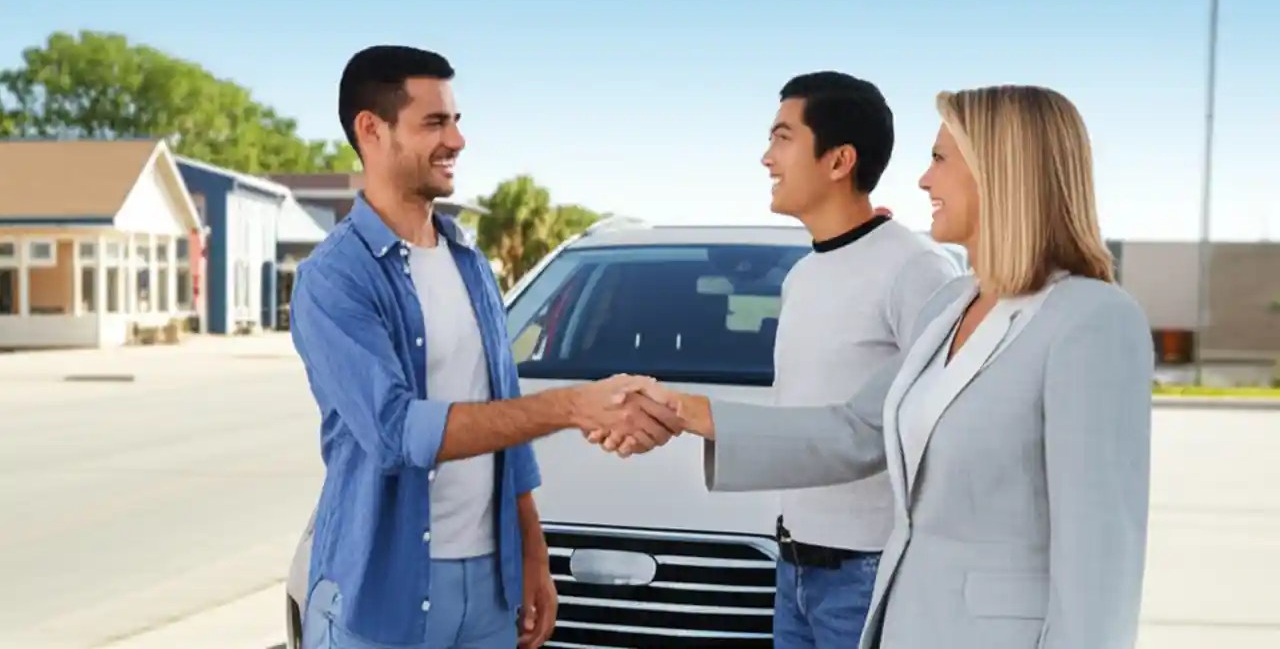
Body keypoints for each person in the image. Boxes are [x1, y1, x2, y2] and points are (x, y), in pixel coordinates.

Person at [603, 85, 1155, 649]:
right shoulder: (953, 307)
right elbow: (858, 429)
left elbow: (1099, 562)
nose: (922, 181)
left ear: (1000, 169)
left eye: (940, 159)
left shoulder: (1092, 320)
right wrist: (686, 411)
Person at [290, 45, 681, 649]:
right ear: (371, 129)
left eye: (457, 120)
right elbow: (397, 432)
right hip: (383, 595)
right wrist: (574, 406)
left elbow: (503, 413)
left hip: (489, 590)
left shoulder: (471, 266)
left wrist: (532, 552)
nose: (458, 140)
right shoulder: (335, 278)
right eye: (434, 122)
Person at [756, 71, 959, 647]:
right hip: (792, 567)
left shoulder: (916, 269)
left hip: (866, 575)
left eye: (783, 138)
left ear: (839, 160)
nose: (767, 158)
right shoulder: (802, 275)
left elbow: (938, 428)